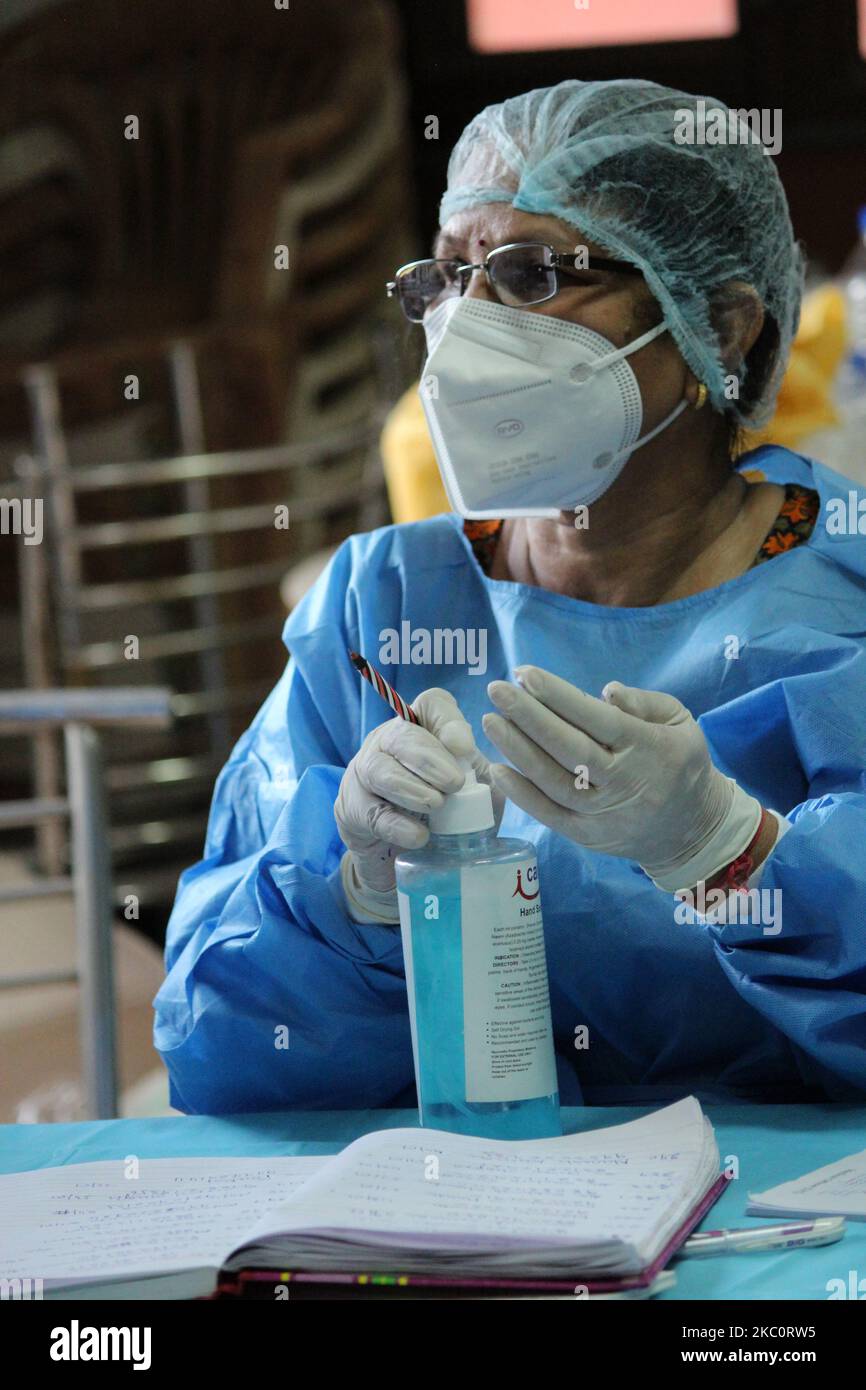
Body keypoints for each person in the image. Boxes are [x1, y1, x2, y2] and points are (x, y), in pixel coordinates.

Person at [154, 79, 866, 1113]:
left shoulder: (840, 595)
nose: (465, 327)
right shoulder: (379, 608)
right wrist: (351, 896)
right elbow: (216, 1046)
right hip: (472, 1211)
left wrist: (728, 850)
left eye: (533, 276)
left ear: (717, 325)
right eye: (447, 278)